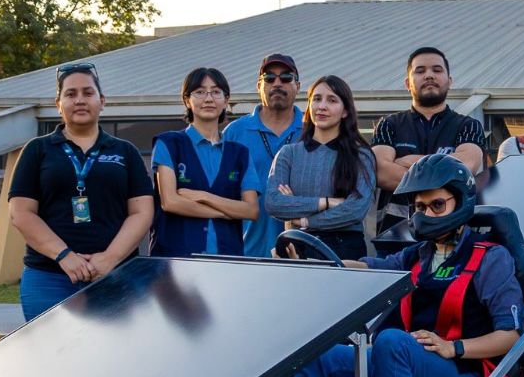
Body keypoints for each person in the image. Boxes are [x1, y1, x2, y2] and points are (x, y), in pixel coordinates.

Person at [268, 154, 524, 377]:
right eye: (419, 207)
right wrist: (317, 265)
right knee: (324, 356)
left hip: (463, 373)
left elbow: (511, 335)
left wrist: (454, 348)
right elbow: (370, 269)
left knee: (391, 341)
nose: (425, 214)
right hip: (406, 360)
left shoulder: (490, 257)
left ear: (460, 202)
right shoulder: (417, 256)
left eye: (436, 205)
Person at [8, 62, 154, 321]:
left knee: (114, 357)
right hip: (49, 277)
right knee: (52, 357)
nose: (80, 100)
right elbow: (21, 213)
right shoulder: (37, 150)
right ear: (58, 103)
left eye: (88, 93)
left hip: (117, 274)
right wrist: (64, 256)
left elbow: (142, 212)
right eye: (71, 94)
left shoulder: (125, 151)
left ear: (102, 101)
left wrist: (110, 258)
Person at [150, 67, 262, 257]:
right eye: (200, 92)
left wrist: (203, 196)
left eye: (216, 92)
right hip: (175, 262)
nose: (208, 99)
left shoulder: (240, 154)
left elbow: (251, 210)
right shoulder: (168, 144)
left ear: (226, 100)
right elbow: (170, 202)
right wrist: (226, 212)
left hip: (227, 261)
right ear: (187, 100)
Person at [372, 47, 486, 232]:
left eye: (437, 70)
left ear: (449, 81)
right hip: (394, 236)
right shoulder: (388, 125)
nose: (429, 75)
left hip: (450, 237)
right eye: (420, 70)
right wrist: (444, 171)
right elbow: (381, 172)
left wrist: (407, 161)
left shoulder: (468, 126)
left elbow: (466, 168)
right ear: (408, 83)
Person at [266, 75, 376, 260]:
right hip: (297, 248)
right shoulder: (288, 153)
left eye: (332, 100)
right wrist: (325, 202)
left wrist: (303, 219)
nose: (322, 106)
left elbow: (355, 210)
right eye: (316, 99)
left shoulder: (361, 156)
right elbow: (274, 203)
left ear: (345, 111)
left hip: (345, 252)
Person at [223, 53, 305, 256]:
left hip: (304, 254)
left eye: (286, 77)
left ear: (298, 86)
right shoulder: (235, 133)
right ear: (259, 86)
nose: (277, 83)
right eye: (269, 78)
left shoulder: (312, 129)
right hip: (245, 254)